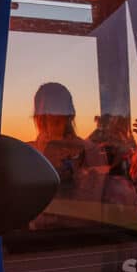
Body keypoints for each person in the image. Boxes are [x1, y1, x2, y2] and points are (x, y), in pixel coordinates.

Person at [28, 82, 107, 227]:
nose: (53, 117)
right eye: (47, 112)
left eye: (58, 111)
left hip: (74, 241)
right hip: (36, 243)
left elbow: (86, 213)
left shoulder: (90, 152)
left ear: (70, 115)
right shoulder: (28, 154)